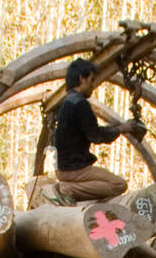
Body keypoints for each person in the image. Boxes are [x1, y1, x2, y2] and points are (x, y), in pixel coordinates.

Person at [48, 58, 147, 202]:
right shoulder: (80, 104)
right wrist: (122, 129)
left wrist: (115, 127)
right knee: (118, 185)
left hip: (63, 168)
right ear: (82, 78)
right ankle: (69, 189)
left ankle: (73, 190)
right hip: (74, 170)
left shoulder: (67, 102)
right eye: (92, 80)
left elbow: (90, 130)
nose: (93, 85)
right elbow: (96, 136)